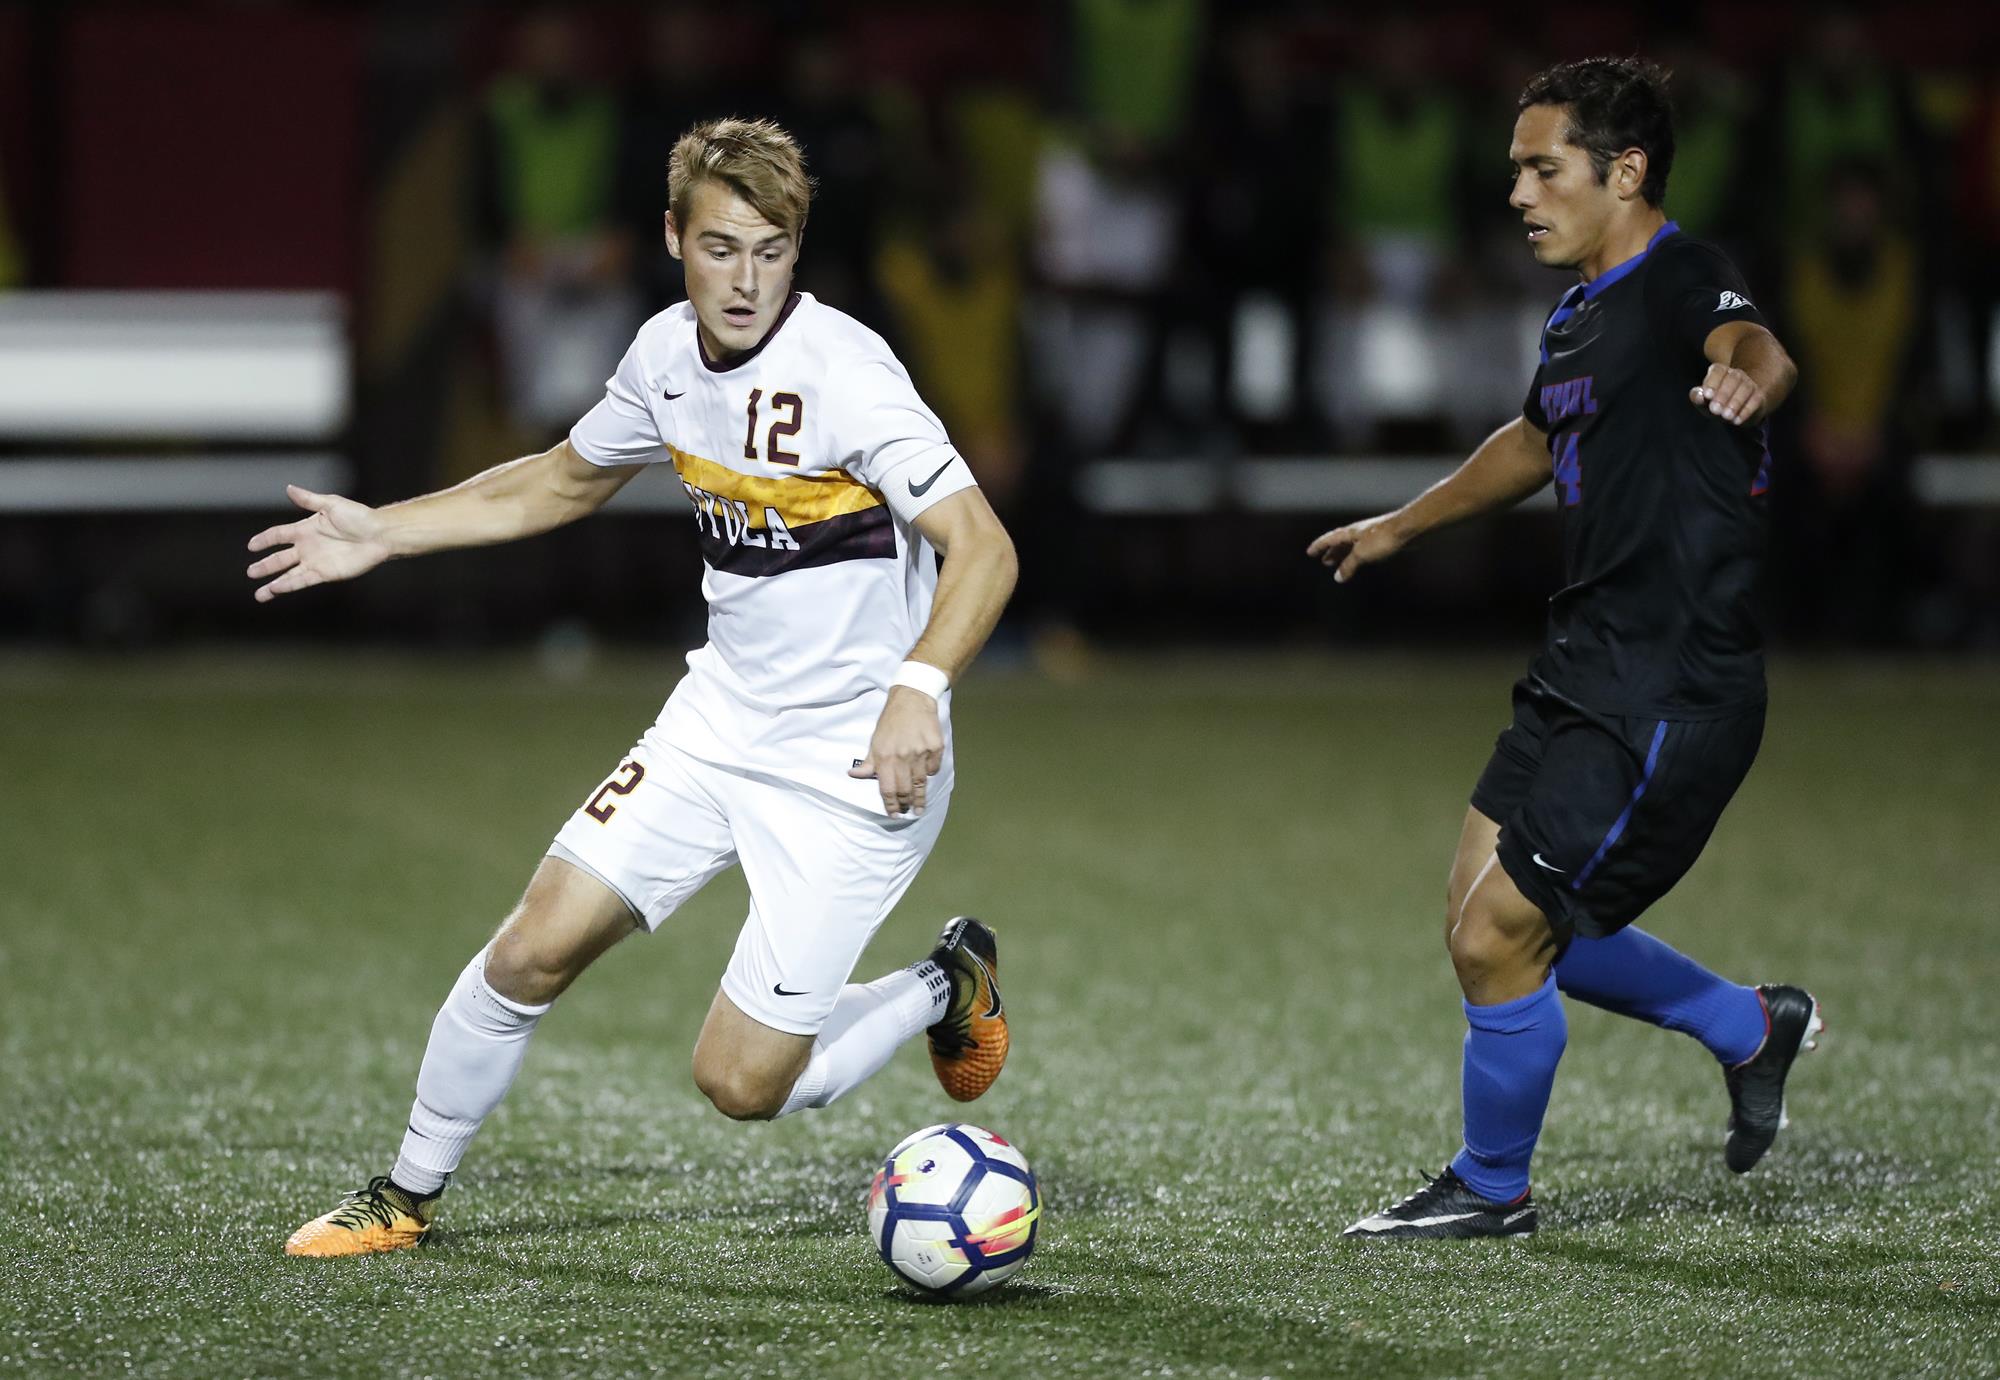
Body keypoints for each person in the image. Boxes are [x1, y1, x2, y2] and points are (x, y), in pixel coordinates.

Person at [249, 118, 1020, 1257]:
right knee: (529, 947)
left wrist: (919, 687)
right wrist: (386, 532)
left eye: (770, 249)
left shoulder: (849, 375)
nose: (745, 279)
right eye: (720, 248)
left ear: (797, 249)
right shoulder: (662, 358)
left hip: (856, 764)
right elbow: (560, 482)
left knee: (743, 1083)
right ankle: (404, 1197)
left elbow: (985, 547)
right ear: (672, 237)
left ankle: (942, 982)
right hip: (716, 722)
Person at [1308, 60, 1818, 1239]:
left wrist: (1744, 386)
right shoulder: (1580, 311)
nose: (1518, 193)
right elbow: (1535, 441)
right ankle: (1749, 1026)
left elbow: (1757, 347)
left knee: (1504, 933)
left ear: (1623, 171)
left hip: (1668, 683)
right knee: (1481, 920)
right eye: (1514, 171)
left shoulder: (1678, 273)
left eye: (1543, 168)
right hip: (1583, 660)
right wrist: (1399, 523)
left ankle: (1492, 1192)